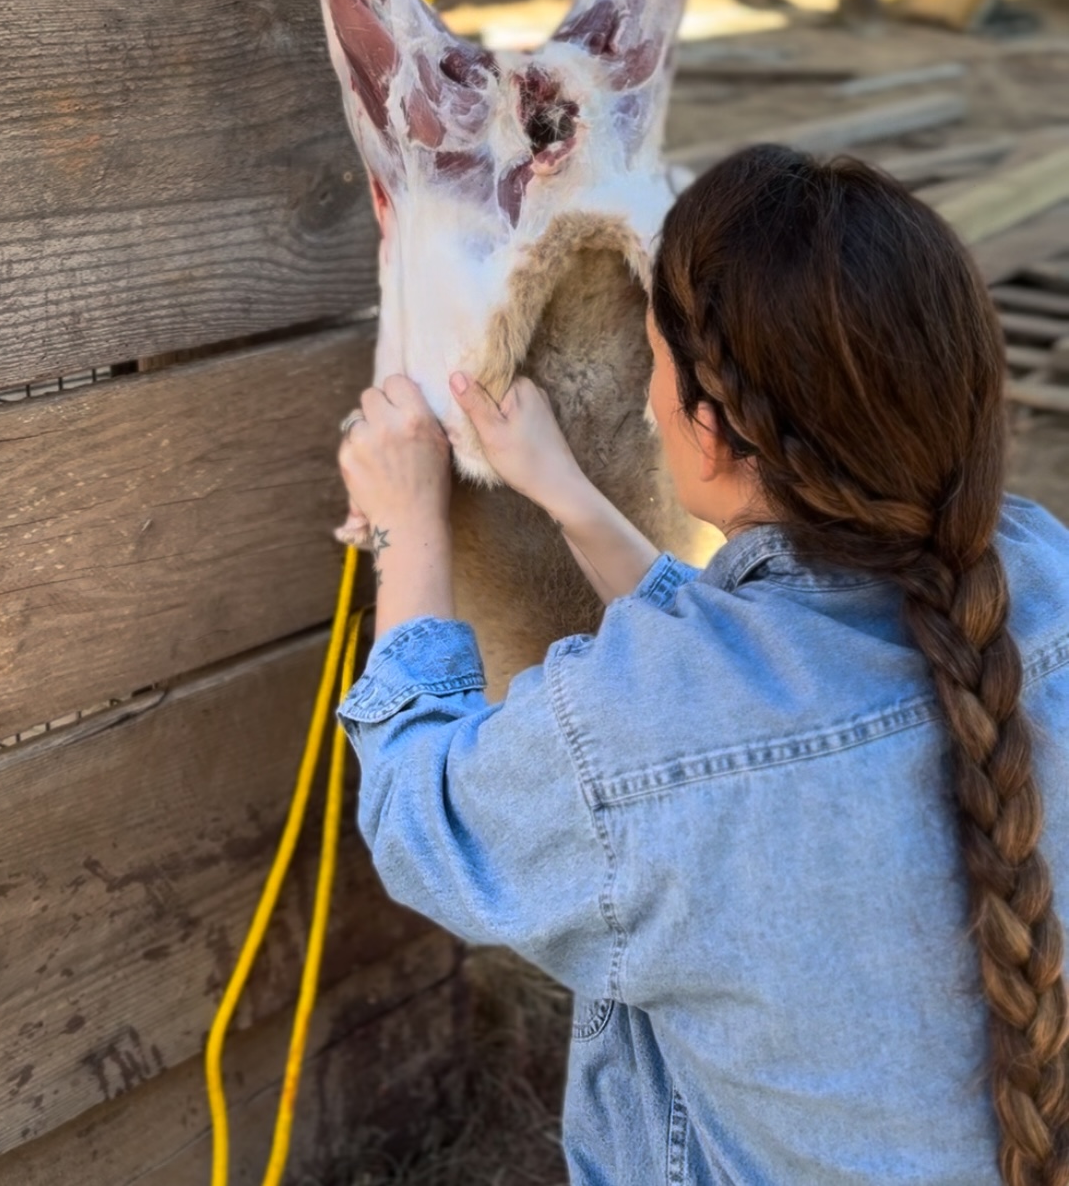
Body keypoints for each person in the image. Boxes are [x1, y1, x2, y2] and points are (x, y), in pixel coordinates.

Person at [336, 144, 1069, 1185]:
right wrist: (571, 497)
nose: (647, 399)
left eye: (654, 365)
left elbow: (422, 814)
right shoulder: (1039, 573)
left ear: (711, 428)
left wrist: (406, 524)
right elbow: (764, 694)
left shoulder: (643, 740)